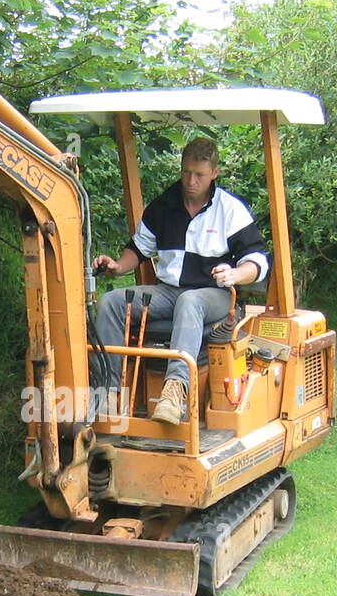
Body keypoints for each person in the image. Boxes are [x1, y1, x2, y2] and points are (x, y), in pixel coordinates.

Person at [93, 137, 268, 425]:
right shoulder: (164, 206)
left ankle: (175, 392)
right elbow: (138, 249)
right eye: (186, 172)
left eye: (199, 174)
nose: (190, 180)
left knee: (190, 300)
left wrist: (236, 274)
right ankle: (108, 394)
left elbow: (257, 262)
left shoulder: (230, 209)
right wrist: (116, 266)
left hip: (215, 296)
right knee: (112, 301)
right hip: (167, 292)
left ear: (214, 173)